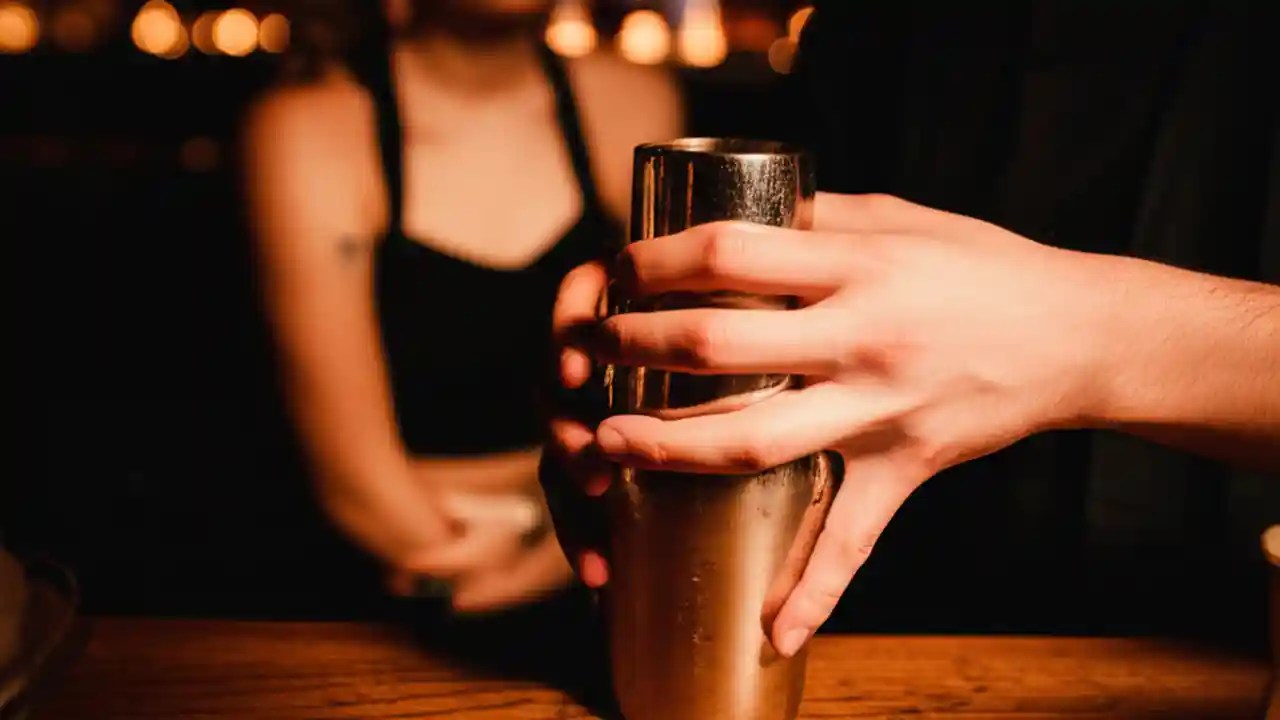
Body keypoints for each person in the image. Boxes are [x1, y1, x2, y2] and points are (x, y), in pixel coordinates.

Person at [543, 0, 1277, 655]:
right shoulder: (871, 27)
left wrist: (1095, 333)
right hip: (853, 641)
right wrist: (652, 365)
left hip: (1233, 650)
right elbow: (790, 294)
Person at [243, 0, 681, 613]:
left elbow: (672, 400)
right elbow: (355, 486)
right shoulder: (309, 125)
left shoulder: (632, 101)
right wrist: (559, 554)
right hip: (396, 577)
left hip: (604, 556)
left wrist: (590, 550)